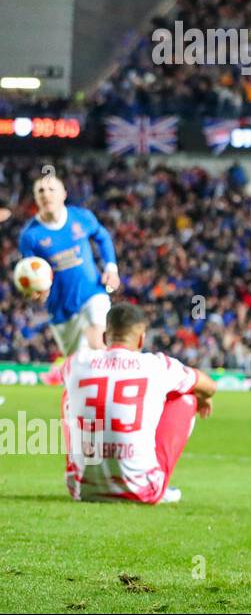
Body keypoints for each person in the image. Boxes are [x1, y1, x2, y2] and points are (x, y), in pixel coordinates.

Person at [61, 303, 216, 504]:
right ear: (142, 338)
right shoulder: (157, 366)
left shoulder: (75, 362)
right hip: (141, 490)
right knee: (186, 396)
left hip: (81, 489)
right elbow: (210, 386)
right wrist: (203, 397)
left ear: (105, 337)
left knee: (69, 395)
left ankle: (88, 473)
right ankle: (156, 483)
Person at [18, 173, 119, 361]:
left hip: (92, 293)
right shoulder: (30, 235)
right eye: (40, 190)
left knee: (98, 344)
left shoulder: (81, 217)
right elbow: (30, 272)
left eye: (51, 189)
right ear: (35, 197)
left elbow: (103, 237)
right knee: (77, 363)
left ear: (63, 193)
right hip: (60, 308)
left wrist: (111, 268)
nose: (46, 194)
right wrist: (35, 291)